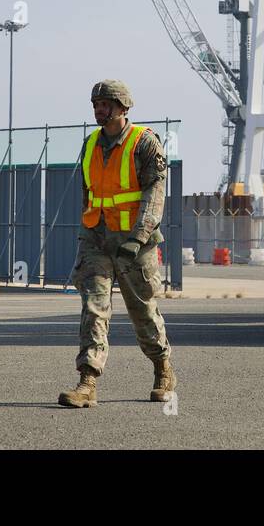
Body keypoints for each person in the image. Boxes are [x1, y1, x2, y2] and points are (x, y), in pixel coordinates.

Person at [58, 79, 176, 407]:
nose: (98, 109)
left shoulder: (145, 143)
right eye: (95, 103)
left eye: (105, 104)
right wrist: (87, 227)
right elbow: (87, 189)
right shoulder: (91, 143)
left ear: (123, 107)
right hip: (96, 238)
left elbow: (155, 194)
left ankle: (163, 367)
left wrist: (138, 238)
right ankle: (88, 381)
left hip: (134, 244)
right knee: (93, 307)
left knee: (142, 311)